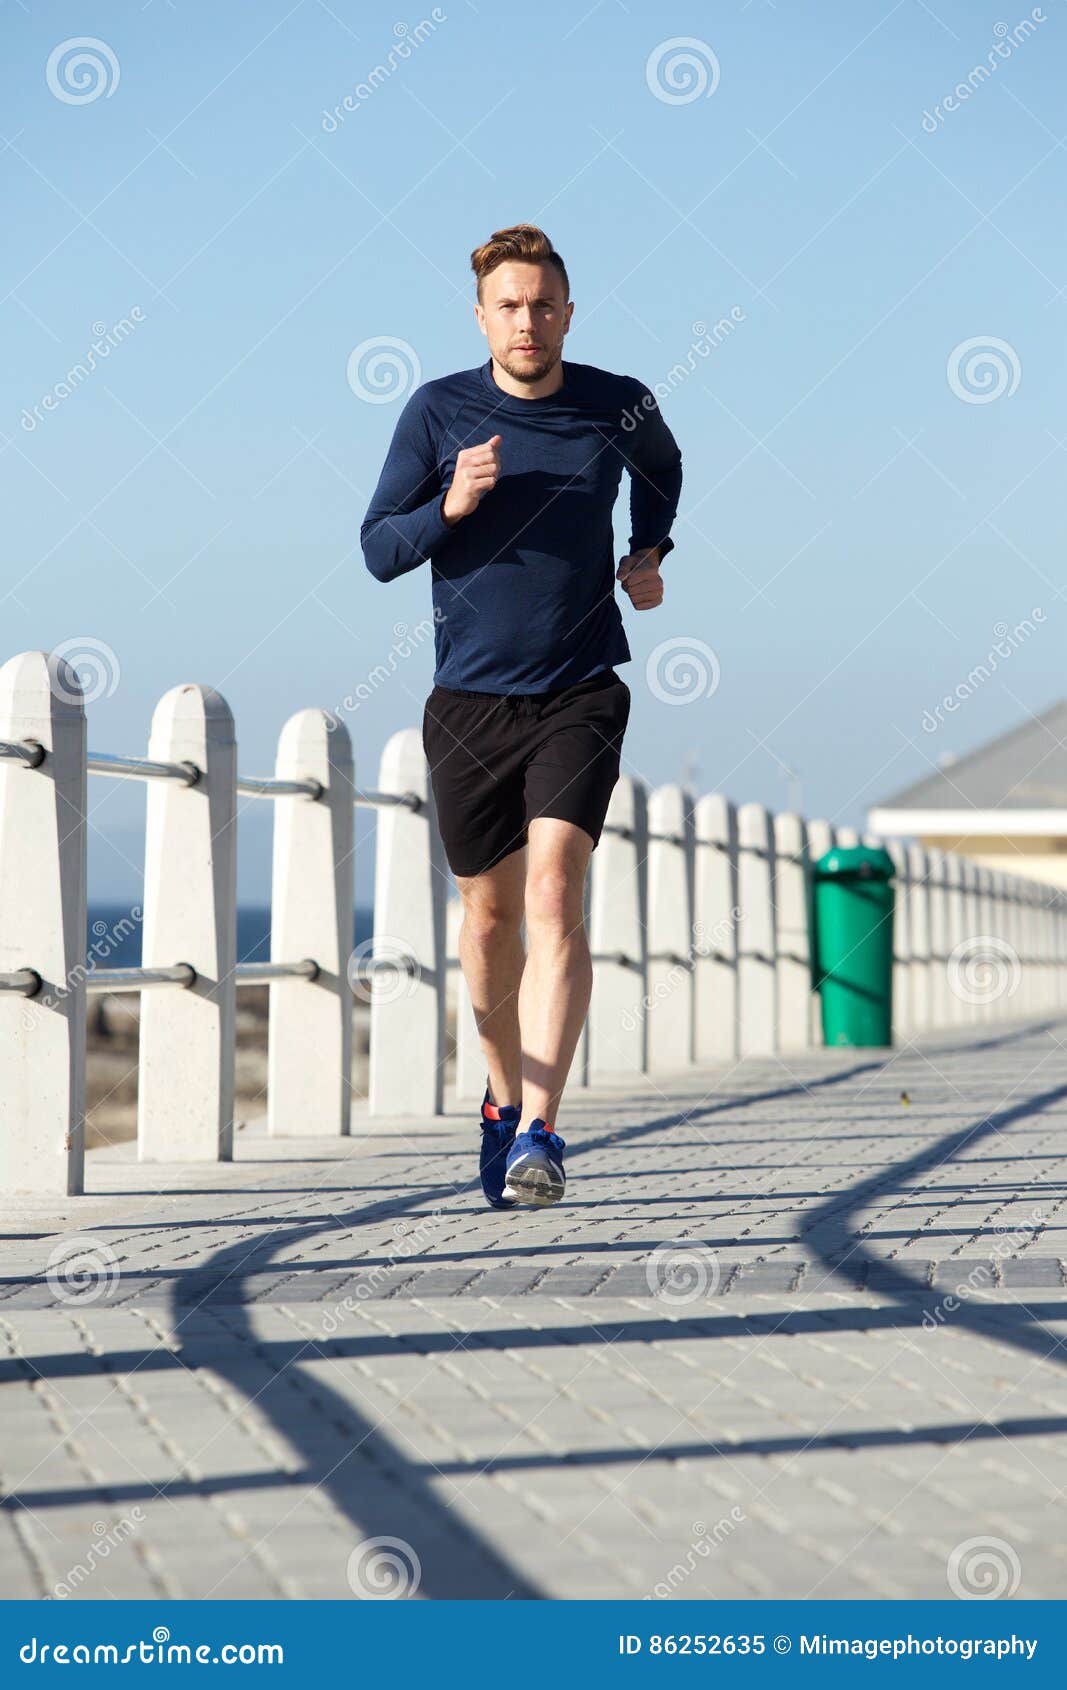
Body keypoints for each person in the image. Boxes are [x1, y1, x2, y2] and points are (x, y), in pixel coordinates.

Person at [361, 223, 682, 1208]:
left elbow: (662, 467)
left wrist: (647, 553)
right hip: (466, 704)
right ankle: (501, 1102)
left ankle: (542, 1130)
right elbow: (378, 548)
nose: (527, 320)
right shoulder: (436, 412)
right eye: (509, 304)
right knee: (488, 919)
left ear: (567, 313)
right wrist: (447, 506)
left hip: (580, 690)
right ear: (481, 316)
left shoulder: (614, 403)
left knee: (552, 895)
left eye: (543, 303)